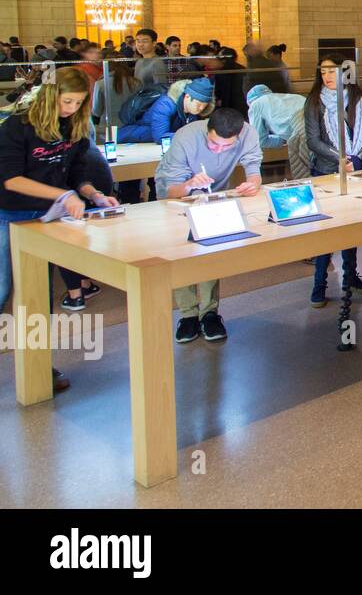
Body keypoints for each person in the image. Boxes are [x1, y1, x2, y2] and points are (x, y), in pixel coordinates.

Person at [0, 69, 116, 386]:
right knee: (1, 288)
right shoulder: (17, 126)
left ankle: (39, 366)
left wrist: (93, 194)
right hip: (8, 212)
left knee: (39, 292)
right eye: (67, 101)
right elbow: (10, 179)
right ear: (52, 96)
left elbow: (77, 173)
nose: (71, 109)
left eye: (78, 103)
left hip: (46, 216)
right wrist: (64, 195)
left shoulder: (74, 128)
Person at [154, 108, 263, 344]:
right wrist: (190, 184)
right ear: (207, 131)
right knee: (181, 250)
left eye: (227, 147)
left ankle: (209, 313)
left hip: (213, 192)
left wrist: (252, 183)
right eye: (214, 144)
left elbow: (254, 168)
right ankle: (188, 314)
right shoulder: (185, 137)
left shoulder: (249, 134)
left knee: (210, 249)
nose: (220, 151)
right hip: (176, 193)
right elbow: (171, 191)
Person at [304, 56, 362, 307]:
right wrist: (340, 157)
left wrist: (356, 161)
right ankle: (319, 283)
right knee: (326, 231)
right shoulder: (314, 101)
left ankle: (350, 277)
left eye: (332, 71)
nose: (327, 77)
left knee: (350, 227)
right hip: (326, 171)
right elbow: (313, 140)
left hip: (356, 170)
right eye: (323, 71)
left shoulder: (359, 99)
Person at [118, 76, 215, 144]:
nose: (201, 108)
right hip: (134, 138)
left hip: (151, 142)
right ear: (187, 96)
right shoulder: (165, 105)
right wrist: (191, 136)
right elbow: (160, 137)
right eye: (198, 104)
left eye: (204, 105)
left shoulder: (192, 111)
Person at [246, 84, 305, 148]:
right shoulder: (296, 96)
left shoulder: (256, 104)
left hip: (303, 134)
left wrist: (281, 140)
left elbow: (258, 141)